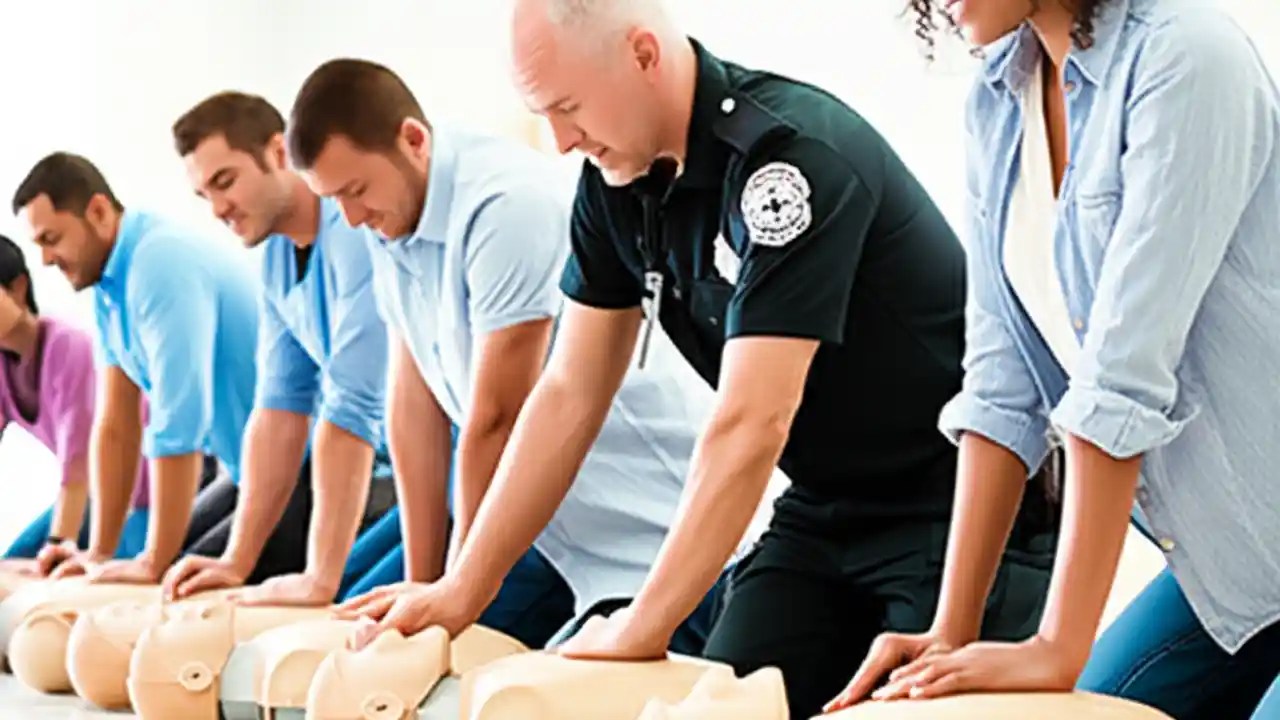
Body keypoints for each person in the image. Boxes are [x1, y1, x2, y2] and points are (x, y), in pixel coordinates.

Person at [490, 1, 1060, 716]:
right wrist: (460, 590)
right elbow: (567, 392)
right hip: (823, 511)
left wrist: (645, 624)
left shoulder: (789, 157)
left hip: (956, 508)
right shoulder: (616, 191)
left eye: (568, 107)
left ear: (642, 54)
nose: (562, 140)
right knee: (720, 704)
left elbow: (751, 423)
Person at [825, 0, 1280, 718]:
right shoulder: (998, 103)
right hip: (1236, 569)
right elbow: (1001, 384)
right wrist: (950, 630)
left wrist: (1056, 646)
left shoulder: (1189, 58)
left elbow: (1123, 375)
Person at [285, 58, 730, 652]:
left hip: (655, 527)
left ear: (413, 141)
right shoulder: (390, 221)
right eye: (334, 199)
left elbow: (495, 417)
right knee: (361, 644)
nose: (352, 217)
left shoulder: (504, 204)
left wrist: (454, 595)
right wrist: (426, 582)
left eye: (356, 191)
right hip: (551, 532)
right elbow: (414, 409)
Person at [158, 91, 398, 607]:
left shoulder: (354, 228)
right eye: (204, 195)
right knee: (208, 580)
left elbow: (352, 405)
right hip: (353, 469)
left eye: (225, 181)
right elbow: (280, 409)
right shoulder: (276, 257)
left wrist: (319, 579)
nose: (219, 208)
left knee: (346, 604)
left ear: (278, 151)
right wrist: (235, 562)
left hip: (401, 474)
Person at [10, 152, 264, 584]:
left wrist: (153, 562)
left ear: (98, 211)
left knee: (170, 585)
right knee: (118, 577)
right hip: (246, 474)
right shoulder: (109, 288)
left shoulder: (158, 261)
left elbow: (178, 421)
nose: (46, 260)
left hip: (300, 473)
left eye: (52, 238)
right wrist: (99, 554)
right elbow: (116, 425)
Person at [0, 233, 151, 570]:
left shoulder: (68, 346)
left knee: (59, 573)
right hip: (92, 494)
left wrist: (58, 545)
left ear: (18, 288)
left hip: (144, 494)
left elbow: (77, 467)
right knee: (11, 563)